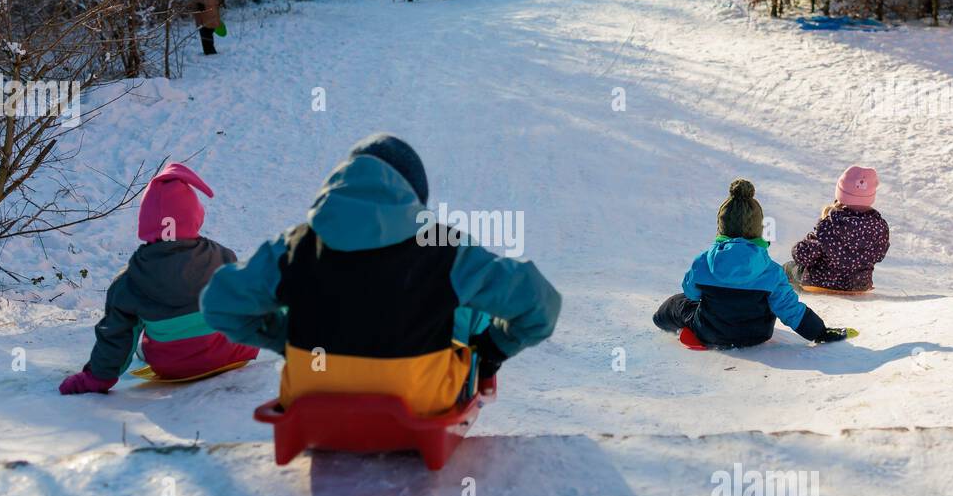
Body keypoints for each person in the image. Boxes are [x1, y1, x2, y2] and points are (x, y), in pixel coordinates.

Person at [200, 134, 562, 415]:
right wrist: (495, 348)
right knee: (465, 314)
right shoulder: (445, 247)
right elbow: (541, 305)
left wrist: (285, 339)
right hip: (421, 401)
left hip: (313, 396)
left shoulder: (295, 245)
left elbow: (219, 303)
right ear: (414, 198)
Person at [58, 163, 259, 394]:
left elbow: (117, 335)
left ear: (146, 222)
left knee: (140, 339)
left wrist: (96, 378)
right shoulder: (223, 256)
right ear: (195, 216)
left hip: (174, 366)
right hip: (237, 351)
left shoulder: (130, 281)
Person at [652, 179, 850, 348]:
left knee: (678, 303)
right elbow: (789, 308)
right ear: (757, 230)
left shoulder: (703, 262)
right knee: (774, 299)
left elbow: (691, 293)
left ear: (722, 227)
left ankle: (659, 320)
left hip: (710, 332)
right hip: (758, 334)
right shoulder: (771, 270)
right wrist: (820, 332)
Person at [785, 166, 889, 292]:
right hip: (859, 285)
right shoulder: (880, 227)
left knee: (788, 268)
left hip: (820, 282)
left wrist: (799, 248)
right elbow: (879, 255)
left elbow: (804, 255)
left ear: (841, 194)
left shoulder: (831, 224)